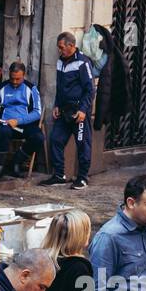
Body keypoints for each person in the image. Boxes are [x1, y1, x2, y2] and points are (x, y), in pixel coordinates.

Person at [41, 32, 95, 190]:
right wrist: (56, 105)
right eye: (59, 48)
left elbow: (90, 89)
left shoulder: (83, 62)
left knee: (82, 144)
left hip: (78, 112)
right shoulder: (60, 62)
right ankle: (59, 175)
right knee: (56, 140)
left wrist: (83, 110)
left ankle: (83, 178)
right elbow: (60, 87)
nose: (60, 51)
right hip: (64, 111)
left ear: (71, 46)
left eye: (62, 47)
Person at [0, 62, 45, 179]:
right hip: (5, 124)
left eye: (18, 79)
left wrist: (18, 121)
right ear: (9, 75)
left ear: (24, 75)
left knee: (39, 138)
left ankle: (16, 162)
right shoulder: (1, 88)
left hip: (25, 124)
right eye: (12, 78)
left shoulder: (31, 89)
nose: (15, 82)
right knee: (4, 132)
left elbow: (37, 112)